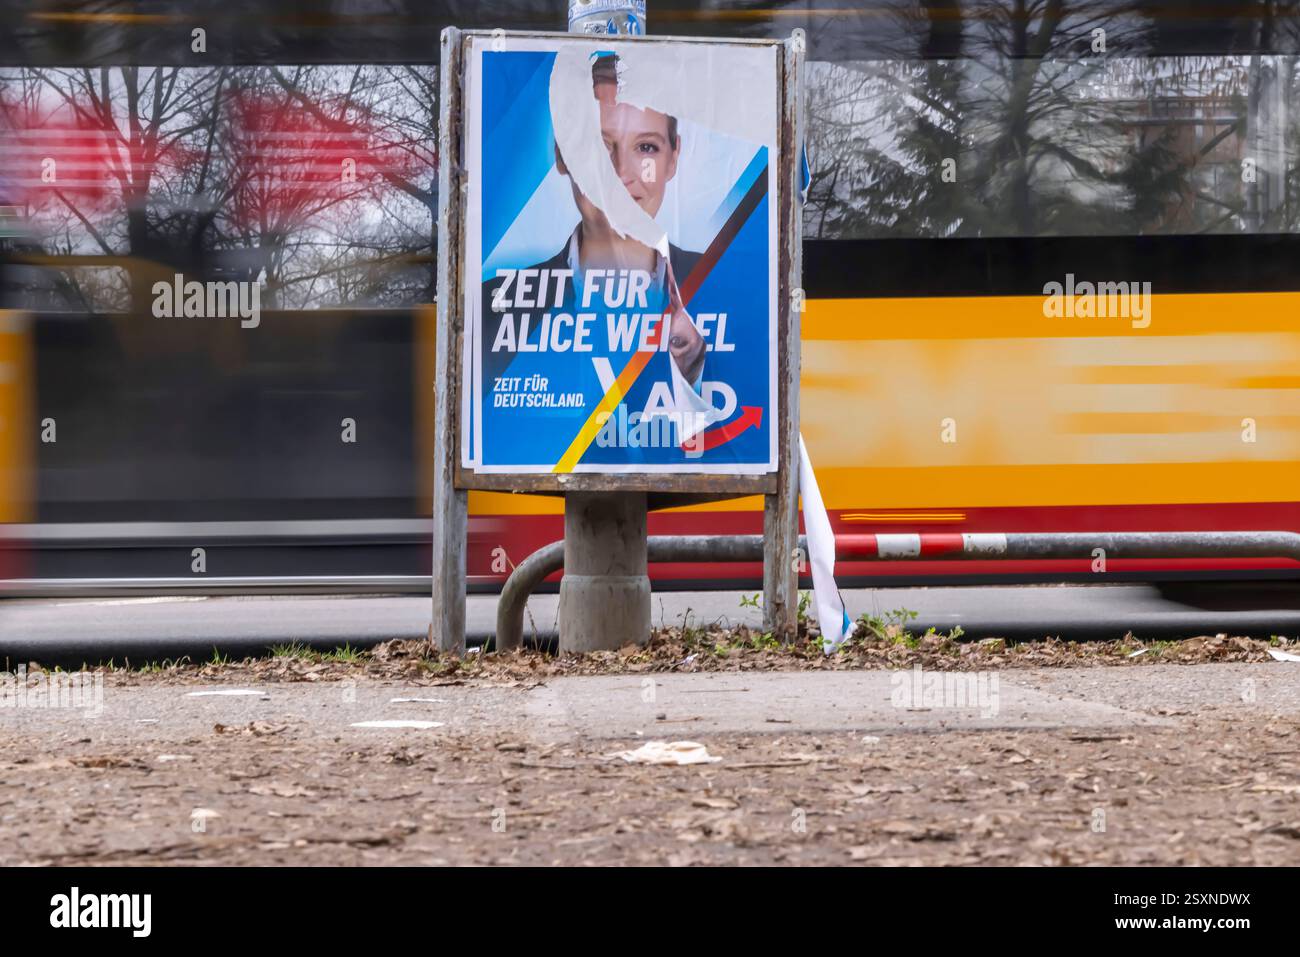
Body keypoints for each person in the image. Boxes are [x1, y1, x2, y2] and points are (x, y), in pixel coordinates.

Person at [482, 53, 709, 406]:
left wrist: (692, 373)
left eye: (645, 147)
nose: (620, 174)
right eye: (598, 146)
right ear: (562, 154)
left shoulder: (722, 287)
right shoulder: (495, 307)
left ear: (673, 158)